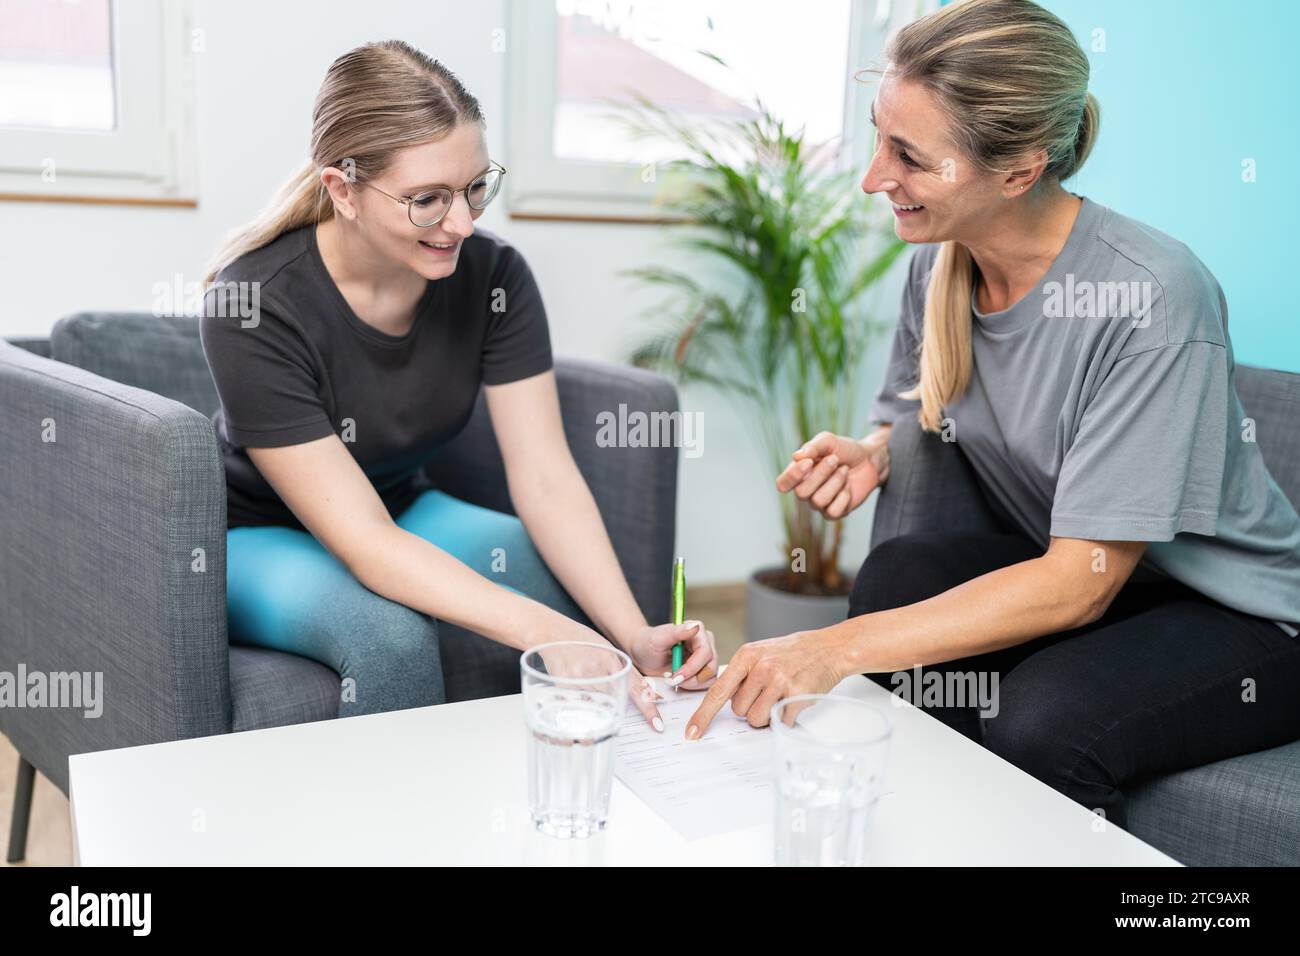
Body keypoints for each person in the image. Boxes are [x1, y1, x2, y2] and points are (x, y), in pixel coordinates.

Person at [686, 0, 1300, 829]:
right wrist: (877, 450)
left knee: (1041, 720)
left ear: (1017, 170)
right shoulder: (942, 263)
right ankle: (918, 834)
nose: (874, 178)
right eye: (878, 137)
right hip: (1098, 571)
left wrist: (829, 647)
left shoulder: (1152, 299)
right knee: (898, 578)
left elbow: (1081, 584)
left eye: (909, 155)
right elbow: (932, 413)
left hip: (1239, 616)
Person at [200, 40, 715, 726]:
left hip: (402, 505)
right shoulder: (254, 304)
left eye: (475, 188)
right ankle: (406, 830)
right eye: (427, 200)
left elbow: (546, 477)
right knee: (389, 635)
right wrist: (546, 633)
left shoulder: (494, 277)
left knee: (541, 572)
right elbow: (365, 543)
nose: (463, 223)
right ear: (342, 190)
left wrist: (630, 634)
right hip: (259, 533)